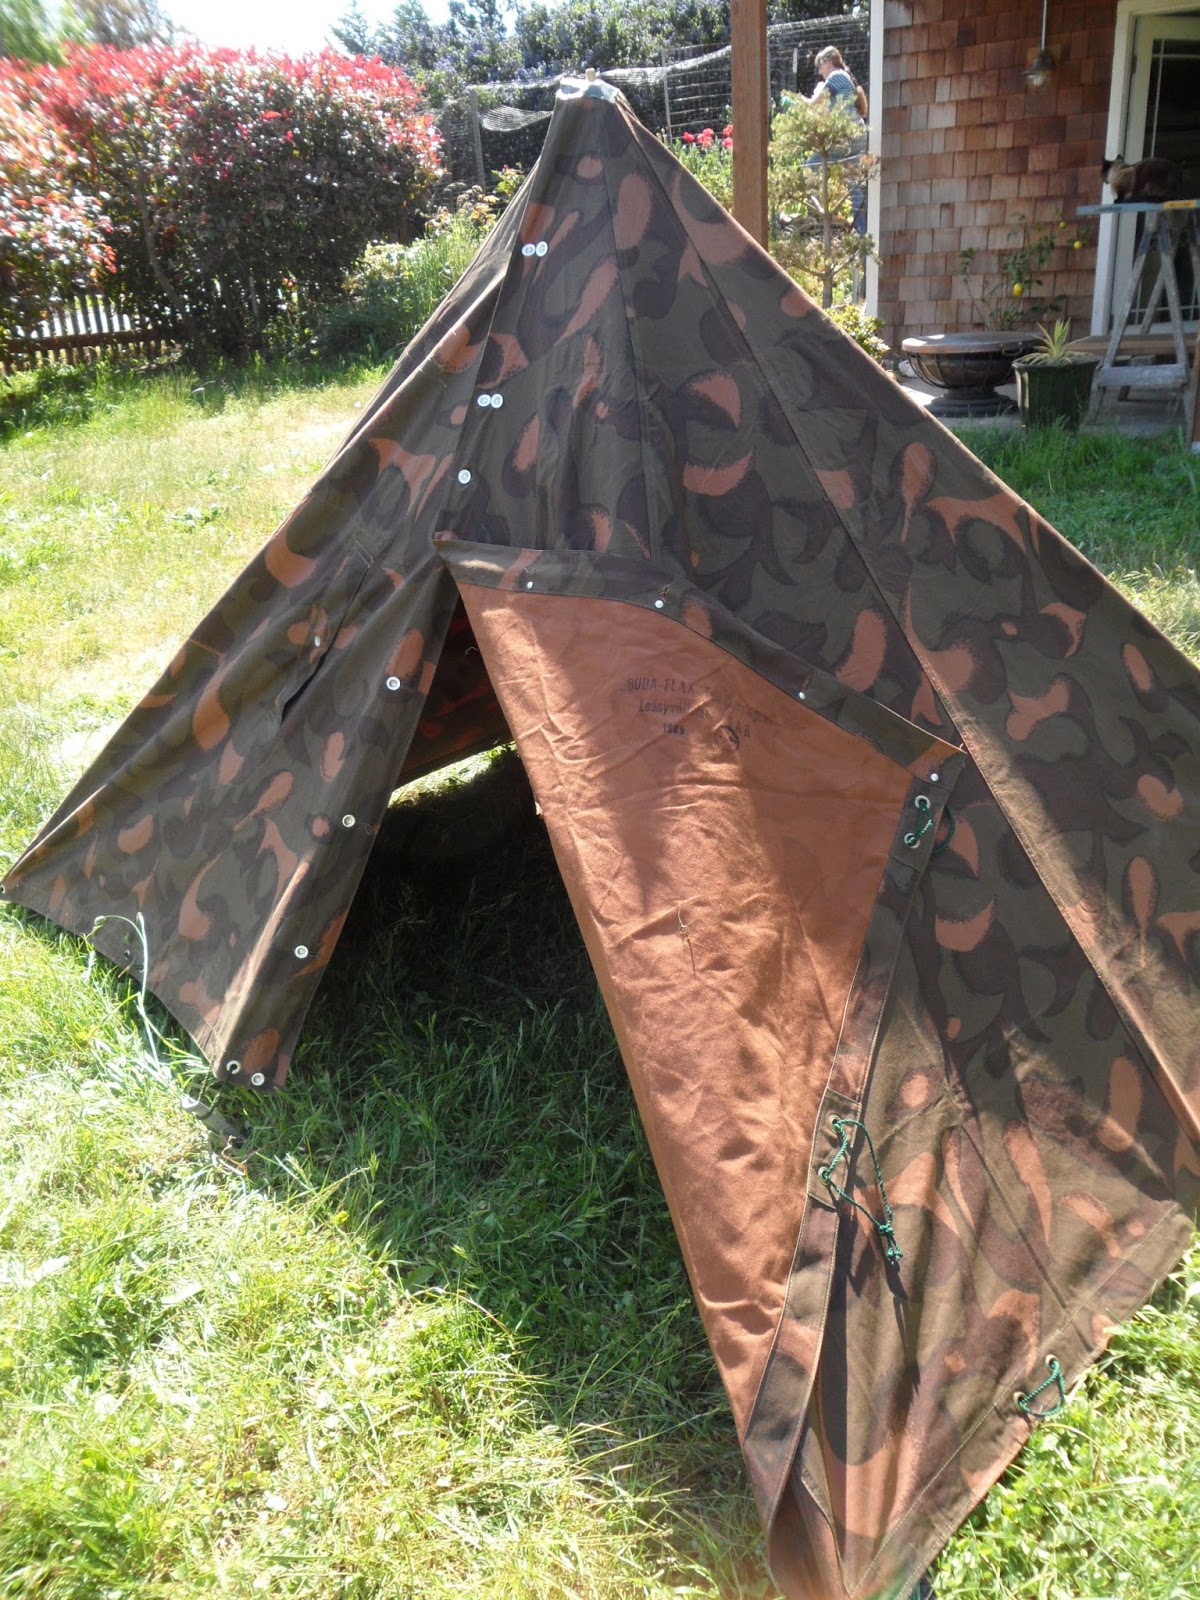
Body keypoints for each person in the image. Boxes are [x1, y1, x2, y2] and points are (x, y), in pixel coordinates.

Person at [801, 46, 868, 236]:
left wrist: (799, 101)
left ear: (829, 61)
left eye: (820, 65)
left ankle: (819, 213)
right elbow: (825, 112)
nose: (819, 71)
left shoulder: (835, 76)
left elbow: (816, 104)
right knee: (853, 185)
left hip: (847, 136)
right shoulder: (844, 79)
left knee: (811, 165)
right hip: (856, 135)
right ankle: (861, 231)